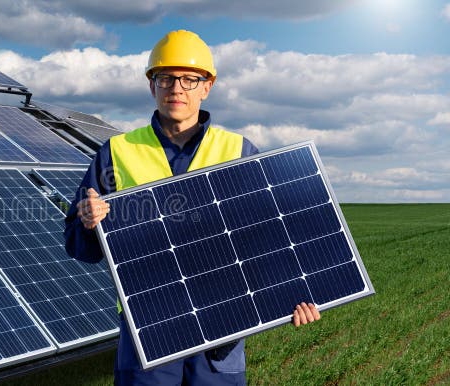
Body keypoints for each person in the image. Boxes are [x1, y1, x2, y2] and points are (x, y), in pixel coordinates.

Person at [64, 30, 322, 385]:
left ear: (207, 86)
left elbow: (273, 235)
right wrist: (87, 222)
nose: (177, 88)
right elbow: (78, 246)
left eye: (190, 79)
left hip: (223, 332)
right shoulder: (117, 152)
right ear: (151, 85)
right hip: (147, 332)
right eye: (166, 78)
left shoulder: (239, 151)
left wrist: (296, 292)